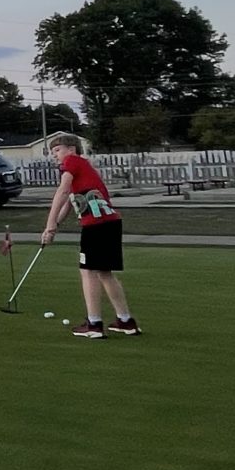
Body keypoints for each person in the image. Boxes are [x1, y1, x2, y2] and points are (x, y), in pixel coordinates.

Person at [38, 134, 136, 336]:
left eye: (57, 151)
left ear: (71, 149)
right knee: (104, 273)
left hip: (97, 225)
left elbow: (62, 192)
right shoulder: (82, 167)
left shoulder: (72, 162)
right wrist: (54, 226)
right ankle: (125, 321)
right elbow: (69, 201)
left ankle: (93, 324)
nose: (54, 156)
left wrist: (48, 224)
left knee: (88, 271)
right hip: (109, 224)